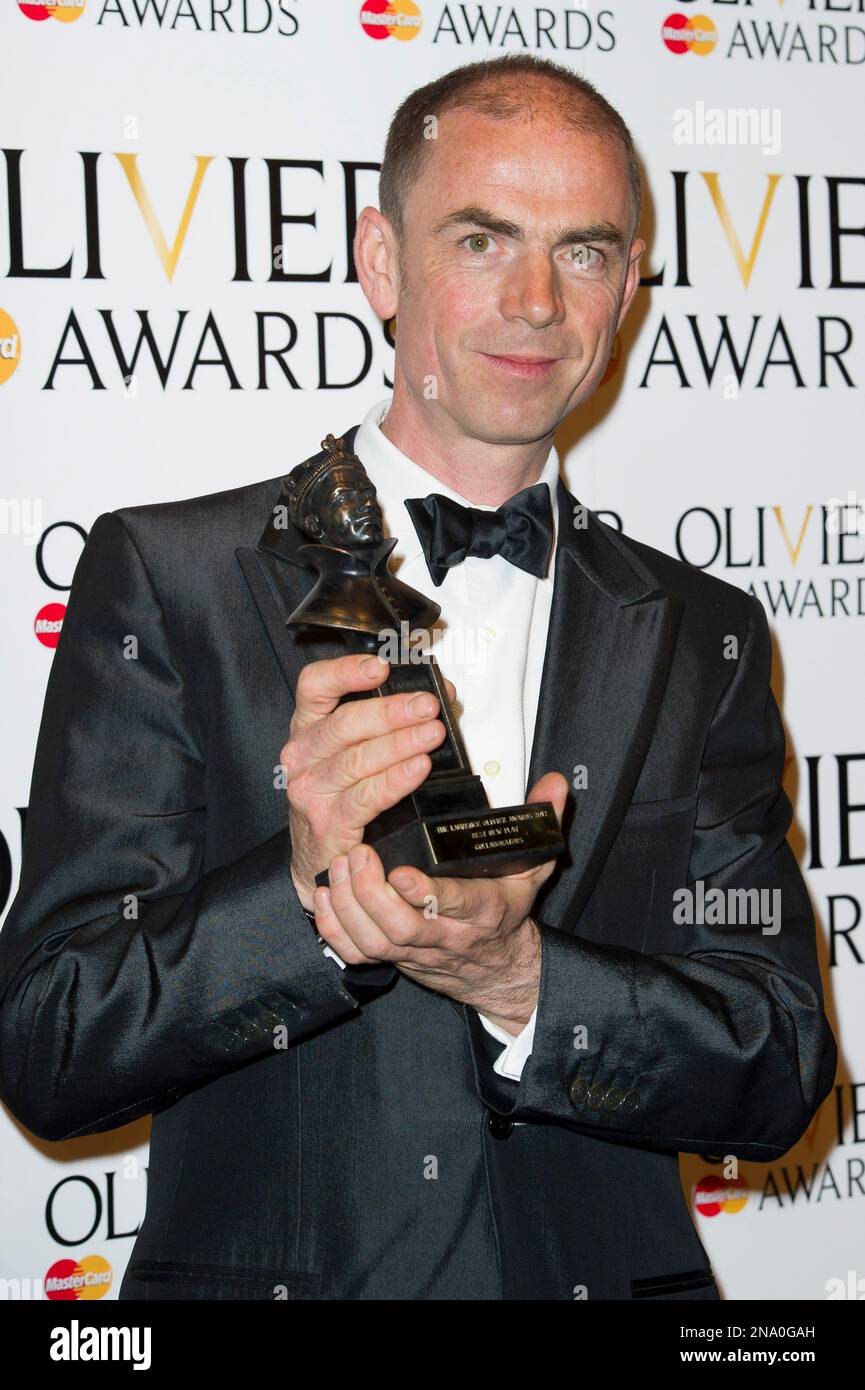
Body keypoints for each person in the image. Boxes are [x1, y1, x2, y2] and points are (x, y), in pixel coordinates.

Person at [0, 53, 837, 1302]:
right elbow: (54, 1044)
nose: (540, 303)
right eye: (484, 239)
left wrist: (522, 981)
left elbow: (776, 1068)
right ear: (381, 262)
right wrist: (296, 898)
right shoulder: (170, 578)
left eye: (587, 251)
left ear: (626, 290)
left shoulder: (697, 630)